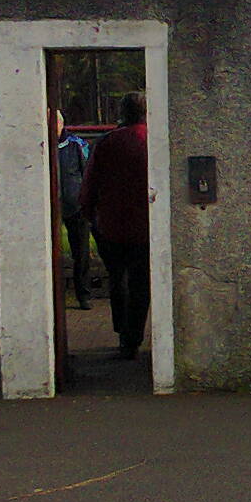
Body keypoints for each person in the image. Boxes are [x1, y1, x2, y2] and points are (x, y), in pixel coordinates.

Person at [80, 91, 149, 360]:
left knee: (118, 279)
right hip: (145, 226)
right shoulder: (153, 140)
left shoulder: (106, 142)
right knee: (141, 283)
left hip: (110, 224)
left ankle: (123, 332)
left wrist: (87, 213)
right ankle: (134, 335)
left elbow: (91, 183)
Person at [55, 111, 92, 310]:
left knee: (81, 252)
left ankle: (83, 294)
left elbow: (87, 173)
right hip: (49, 209)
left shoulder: (76, 144)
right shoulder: (38, 145)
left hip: (76, 207)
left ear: (61, 123)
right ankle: (53, 295)